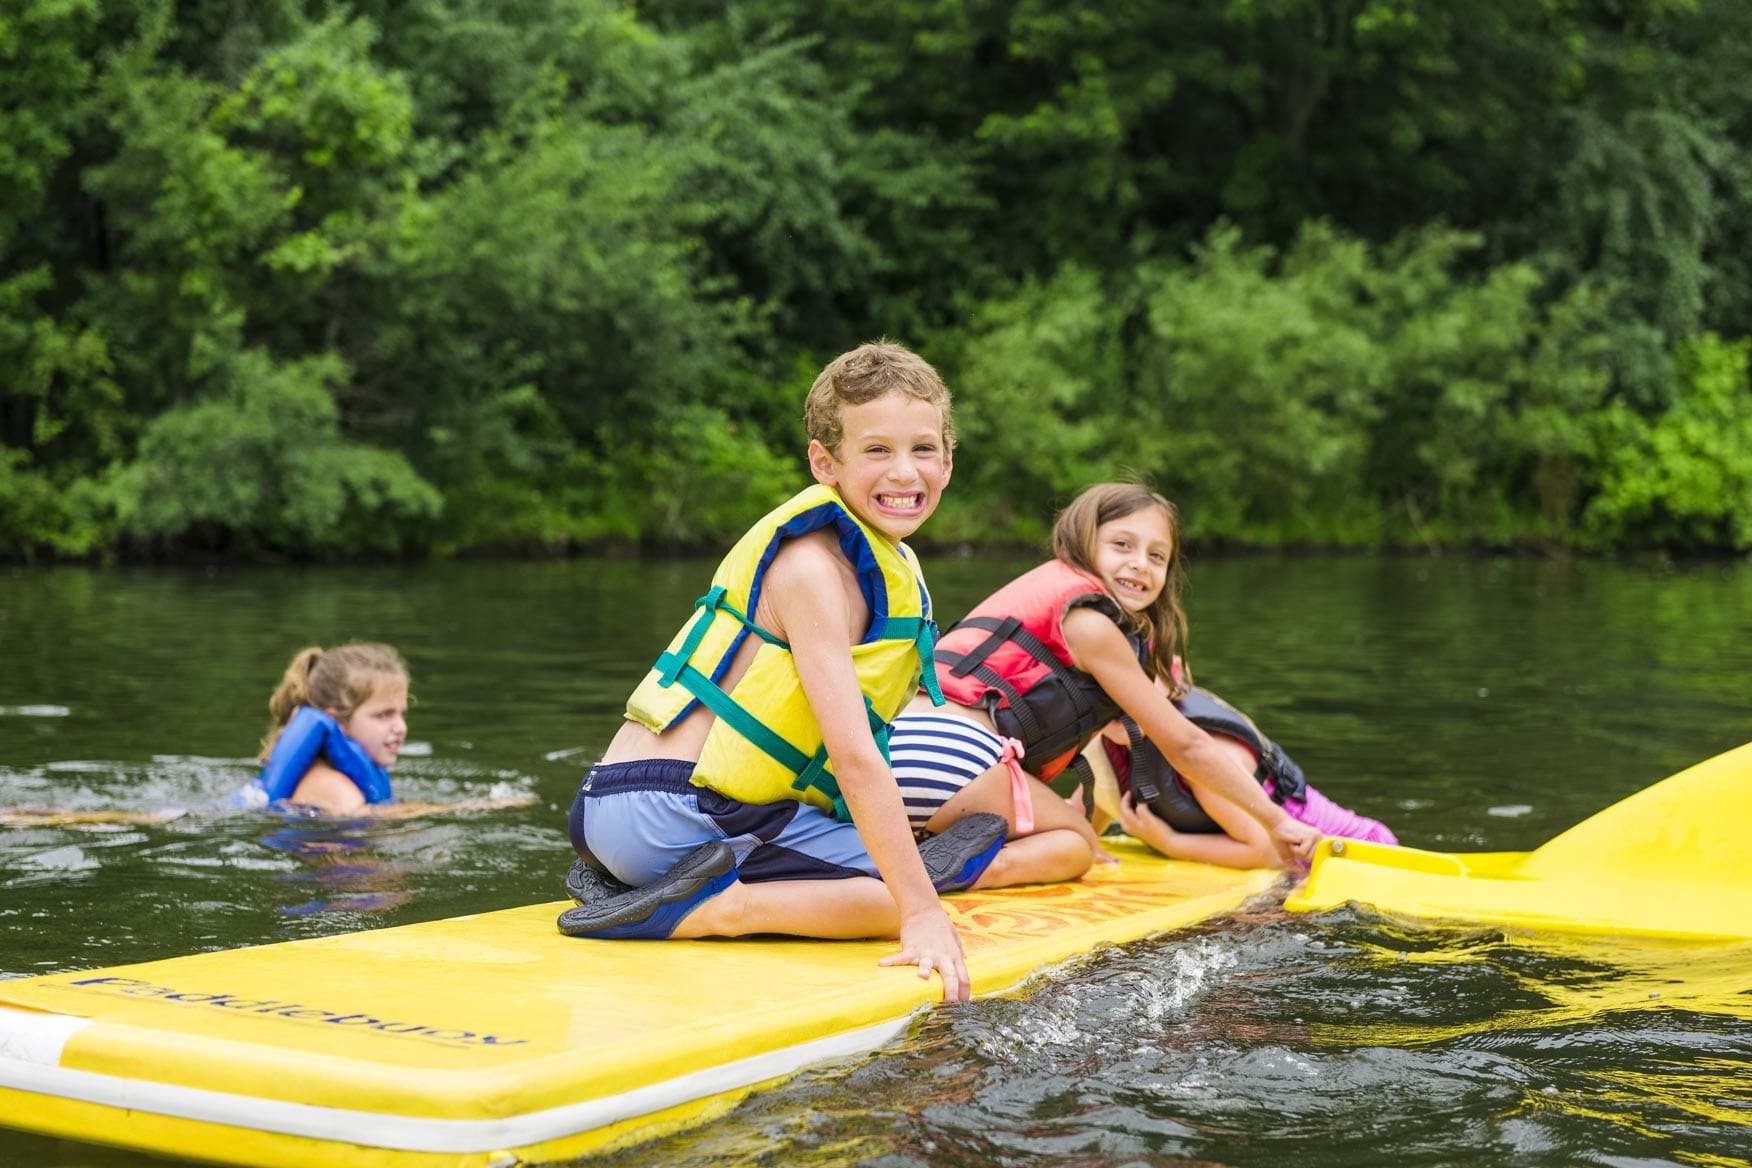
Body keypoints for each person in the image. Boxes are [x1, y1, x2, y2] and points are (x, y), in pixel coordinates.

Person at [558, 341, 1003, 1002]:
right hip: (674, 814)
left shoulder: (875, 563)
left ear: (948, 458)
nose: (906, 473)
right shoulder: (812, 571)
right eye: (877, 451)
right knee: (895, 899)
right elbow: (853, 759)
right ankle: (705, 909)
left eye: (925, 449)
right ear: (827, 462)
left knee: (908, 862)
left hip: (617, 811)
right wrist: (919, 913)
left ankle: (639, 881)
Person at [890, 482, 1323, 874]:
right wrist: (1277, 820)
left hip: (889, 756)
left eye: (1157, 556)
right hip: (949, 758)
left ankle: (913, 848)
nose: (1139, 565)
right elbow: (1185, 744)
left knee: (1051, 819)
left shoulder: (1039, 594)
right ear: (1083, 542)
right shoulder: (1091, 624)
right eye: (1122, 545)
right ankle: (938, 879)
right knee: (1077, 843)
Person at [1081, 687, 1397, 871]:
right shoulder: (1109, 747)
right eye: (1105, 684)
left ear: (1170, 679)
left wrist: (1168, 843)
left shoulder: (1201, 755)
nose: (1119, 696)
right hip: (1290, 866)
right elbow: (1081, 822)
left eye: (1132, 682)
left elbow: (1269, 853)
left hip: (1355, 859)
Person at [243, 643, 532, 819]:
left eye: (402, 713)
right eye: (383, 715)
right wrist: (475, 807)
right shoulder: (335, 788)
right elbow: (370, 835)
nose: (400, 728)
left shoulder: (330, 777)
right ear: (337, 723)